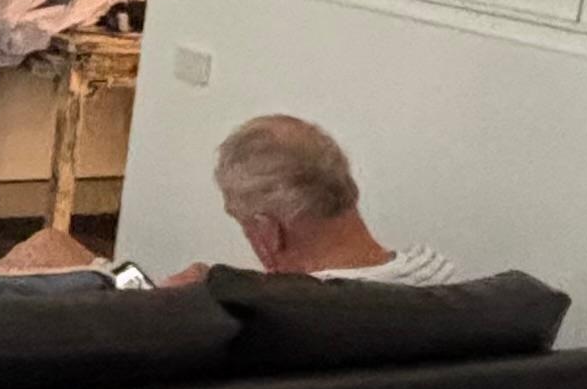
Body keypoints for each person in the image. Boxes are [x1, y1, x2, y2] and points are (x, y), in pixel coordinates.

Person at [169, 113, 458, 286]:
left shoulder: (283, 323)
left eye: (246, 227)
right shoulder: (440, 275)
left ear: (269, 232)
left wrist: (177, 305)